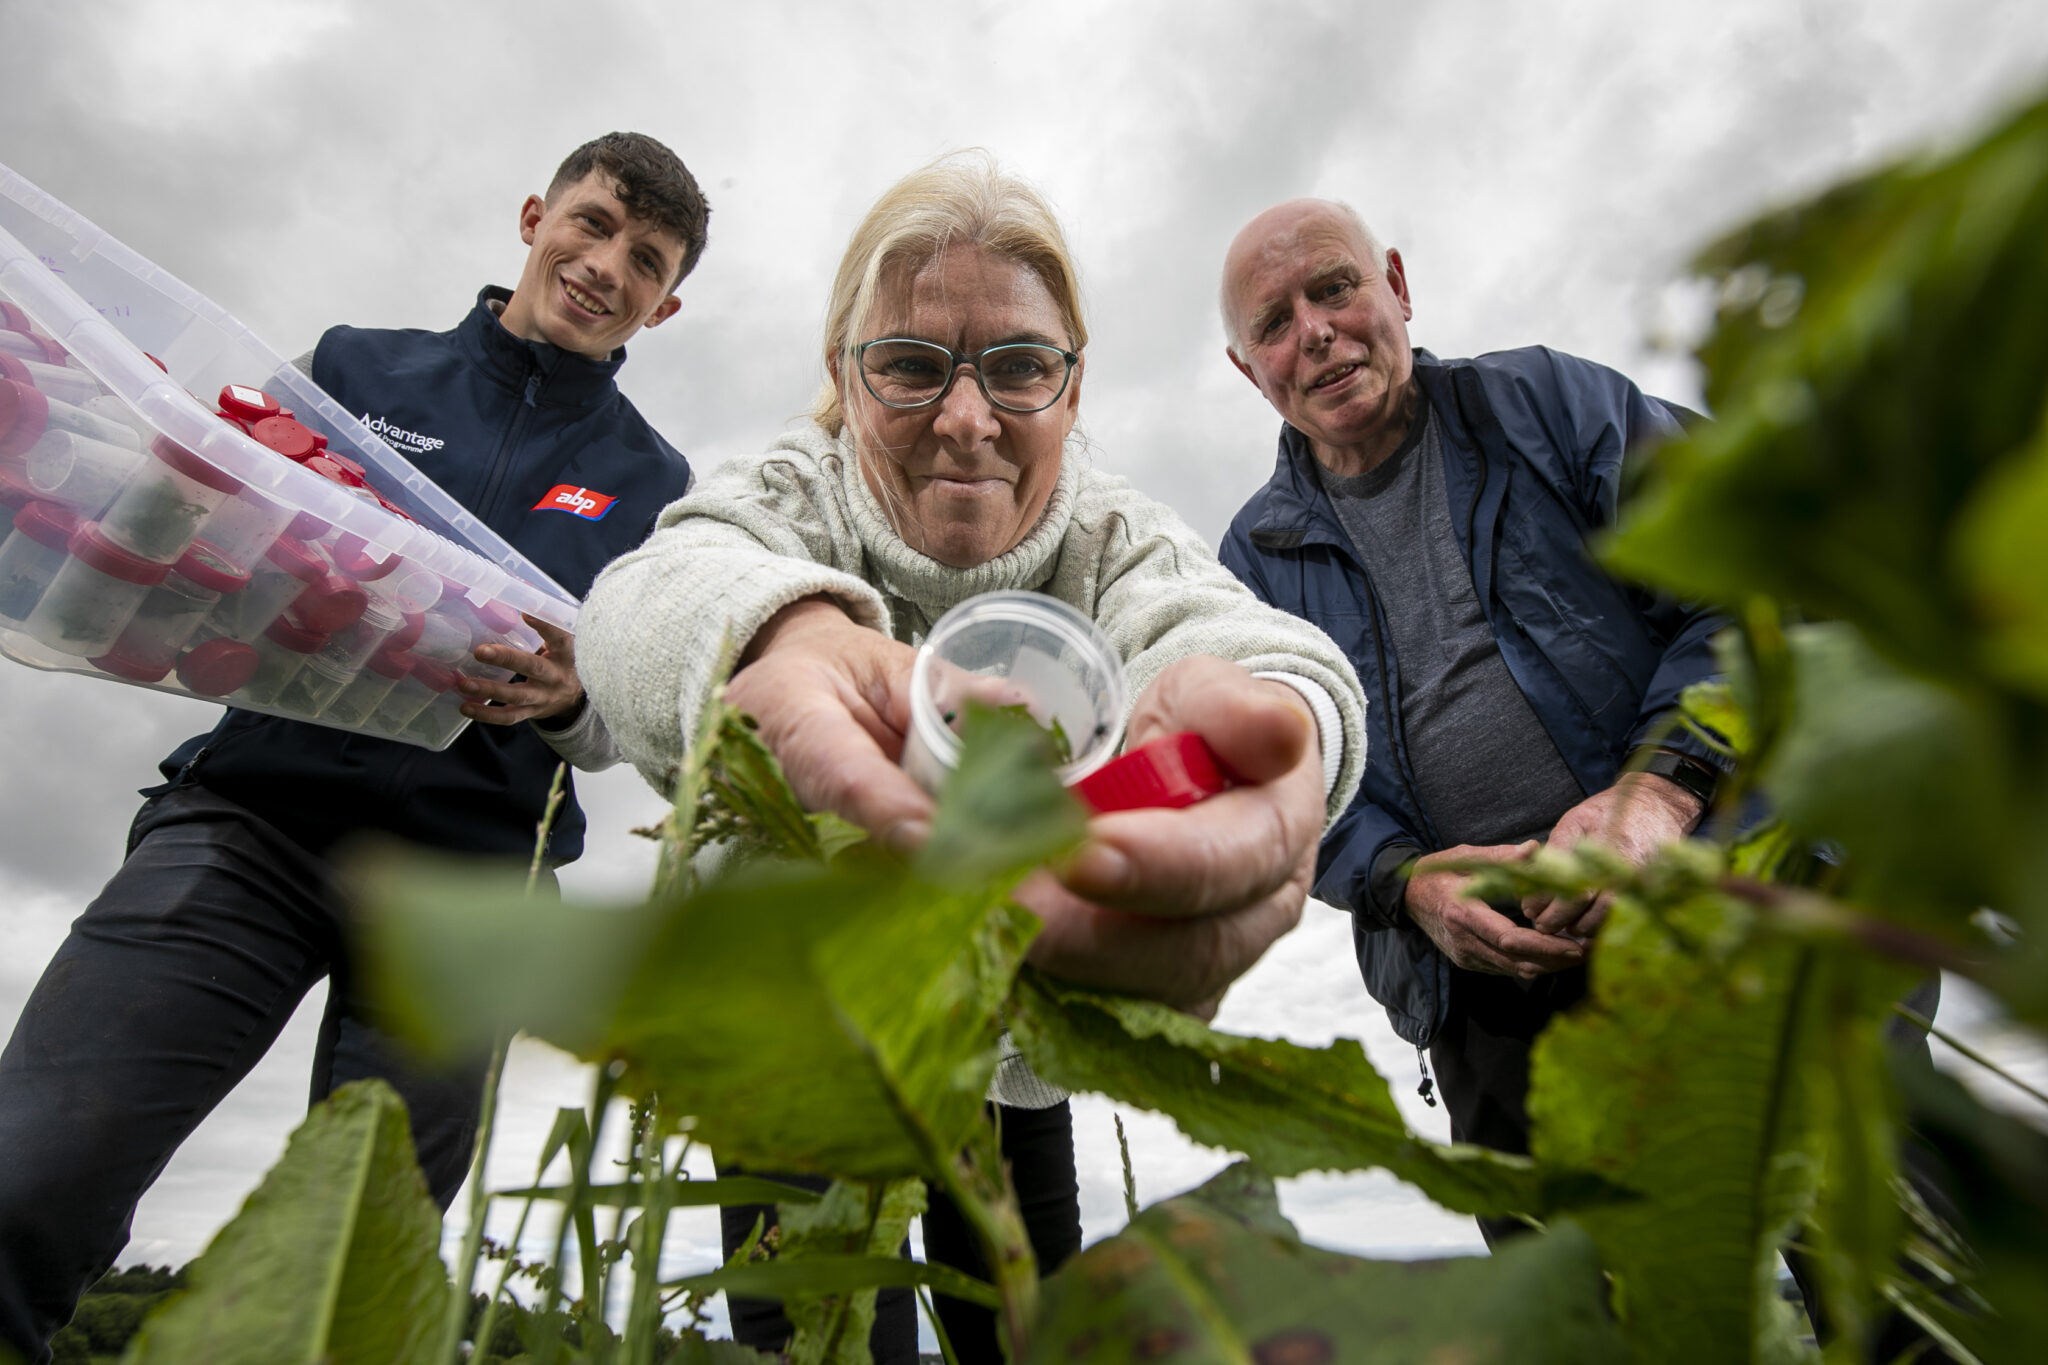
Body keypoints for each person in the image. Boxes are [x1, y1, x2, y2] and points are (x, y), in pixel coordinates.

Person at [577, 154, 1366, 1365]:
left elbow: (1215, 629)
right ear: (844, 376)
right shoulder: (793, 489)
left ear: (1069, 384)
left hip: (1004, 1065)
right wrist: (785, 636)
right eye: (907, 365)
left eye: (1016, 367)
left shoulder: (1107, 533)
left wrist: (1279, 717)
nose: (965, 417)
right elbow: (650, 590)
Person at [0, 132, 709, 1363]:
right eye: (590, 225)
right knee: (26, 1179)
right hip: (250, 827)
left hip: (470, 887)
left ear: (669, 300)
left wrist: (563, 694)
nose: (604, 266)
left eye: (643, 259)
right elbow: (194, 530)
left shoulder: (659, 485)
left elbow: (630, 713)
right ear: (534, 213)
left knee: (351, 1277)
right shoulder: (349, 369)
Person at [1214, 199, 1726, 1222]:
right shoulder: (1245, 570)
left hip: (1715, 898)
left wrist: (1656, 795)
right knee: (1570, 1318)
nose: (1311, 331)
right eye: (1271, 322)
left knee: (1883, 1277)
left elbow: (1743, 581)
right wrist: (1403, 886)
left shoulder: (1547, 404)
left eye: (1334, 287)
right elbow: (1282, 788)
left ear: (1395, 286)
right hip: (1488, 996)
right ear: (1247, 370)